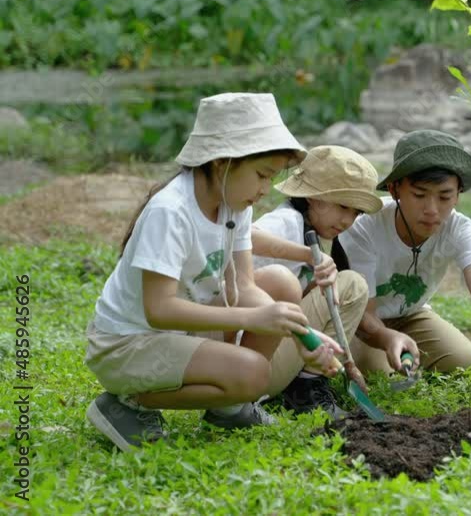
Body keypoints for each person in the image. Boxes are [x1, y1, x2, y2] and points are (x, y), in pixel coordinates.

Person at [85, 93, 342, 451]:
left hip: (181, 328)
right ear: (222, 162)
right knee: (254, 373)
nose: (266, 189)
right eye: (262, 175)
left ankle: (229, 408)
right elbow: (157, 309)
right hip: (127, 344)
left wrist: (304, 335)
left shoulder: (234, 202)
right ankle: (125, 403)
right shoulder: (170, 212)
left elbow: (246, 285)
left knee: (280, 284)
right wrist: (257, 317)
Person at [338, 130, 471, 401]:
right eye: (420, 194)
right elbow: (364, 312)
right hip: (361, 323)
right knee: (384, 378)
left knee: (465, 362)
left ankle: (405, 353)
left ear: (458, 194)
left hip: (410, 315)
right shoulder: (365, 226)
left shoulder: (461, 228)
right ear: (395, 189)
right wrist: (386, 338)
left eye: (445, 197)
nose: (432, 209)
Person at [251, 145, 380, 418]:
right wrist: (306, 255)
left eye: (356, 212)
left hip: (265, 355)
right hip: (249, 362)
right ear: (314, 197)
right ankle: (306, 390)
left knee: (335, 286)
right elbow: (247, 236)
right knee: (352, 285)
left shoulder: (318, 233)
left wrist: (348, 363)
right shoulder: (287, 220)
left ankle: (306, 380)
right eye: (343, 206)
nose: (348, 220)